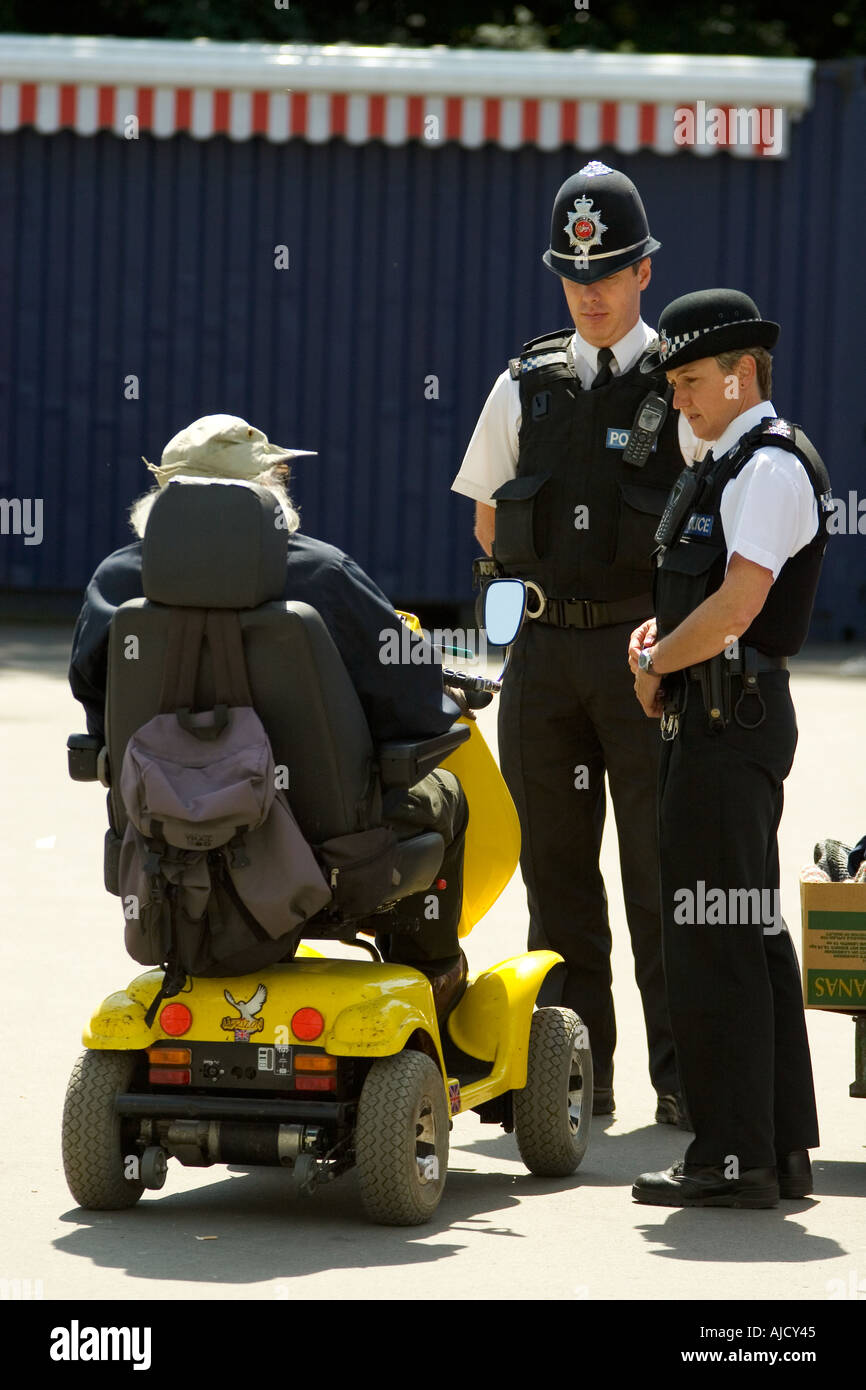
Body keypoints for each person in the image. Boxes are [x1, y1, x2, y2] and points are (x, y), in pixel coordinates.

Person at [68, 414, 469, 1016]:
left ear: (167, 496)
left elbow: (97, 708)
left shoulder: (117, 581)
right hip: (327, 843)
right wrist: (444, 705)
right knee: (448, 794)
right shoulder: (322, 574)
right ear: (265, 492)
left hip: (165, 843)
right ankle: (431, 973)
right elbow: (416, 707)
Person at [452, 162, 702, 1123]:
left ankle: (683, 1081)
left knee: (659, 872)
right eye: (574, 273)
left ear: (644, 271)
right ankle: (571, 1078)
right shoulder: (527, 384)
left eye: (610, 270)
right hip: (548, 663)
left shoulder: (679, 382)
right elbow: (486, 516)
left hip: (648, 660)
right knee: (555, 875)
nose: (590, 290)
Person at [628, 289, 830, 1207]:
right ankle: (775, 1150)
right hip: (714, 718)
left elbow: (742, 605)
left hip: (724, 725)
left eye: (693, 381)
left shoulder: (769, 466)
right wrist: (658, 639)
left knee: (712, 939)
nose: (680, 400)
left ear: (743, 375)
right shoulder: (722, 462)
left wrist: (658, 665)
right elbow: (702, 592)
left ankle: (729, 1157)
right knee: (742, 930)